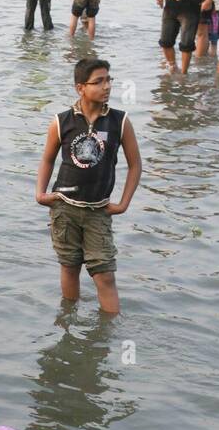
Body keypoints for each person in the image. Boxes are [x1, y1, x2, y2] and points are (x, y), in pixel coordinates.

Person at [35, 57, 142, 314]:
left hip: (98, 211)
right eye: (99, 81)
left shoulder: (119, 121)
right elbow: (47, 159)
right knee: (69, 267)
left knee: (105, 275)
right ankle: (68, 323)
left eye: (109, 80)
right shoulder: (62, 122)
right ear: (80, 87)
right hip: (65, 208)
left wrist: (124, 203)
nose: (107, 86)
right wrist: (41, 193)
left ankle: (107, 334)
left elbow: (135, 164)